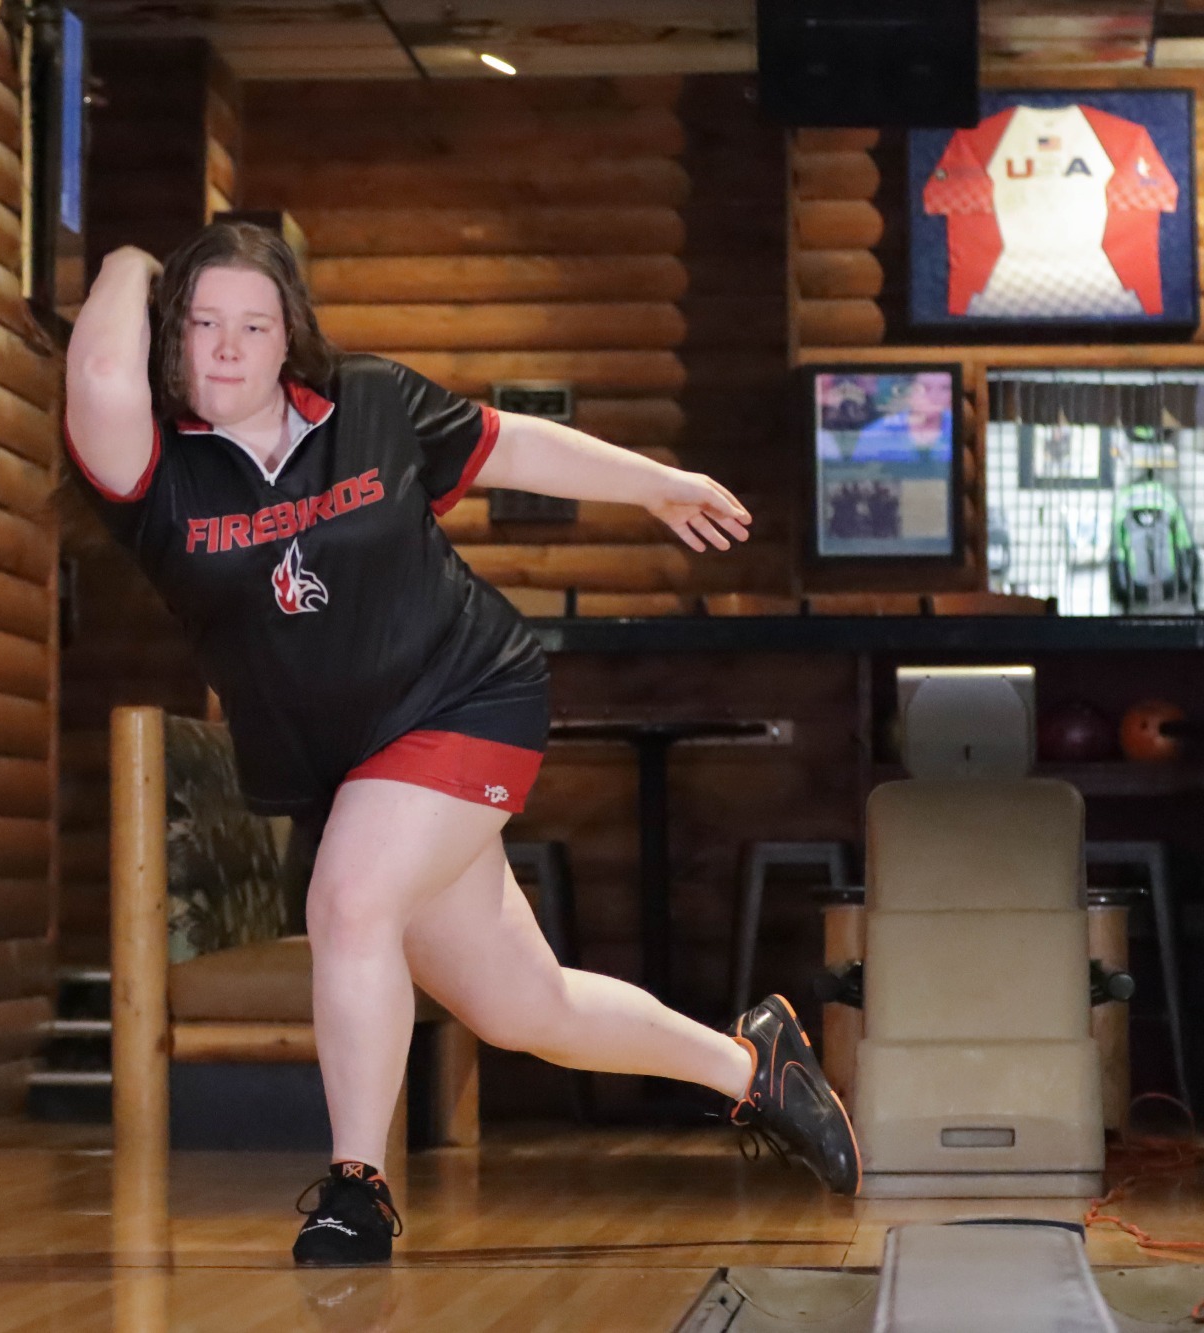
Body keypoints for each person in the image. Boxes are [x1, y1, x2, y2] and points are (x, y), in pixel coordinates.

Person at [64, 222, 859, 1267]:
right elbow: (102, 372)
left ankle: (356, 1189)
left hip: (464, 693)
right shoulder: (155, 475)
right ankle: (751, 1066)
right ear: (171, 340)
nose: (224, 348)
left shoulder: (372, 406)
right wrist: (131, 260)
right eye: (202, 325)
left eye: (251, 326)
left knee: (348, 901)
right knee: (520, 1005)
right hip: (344, 769)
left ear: (287, 336)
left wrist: (652, 480)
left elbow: (511, 443)